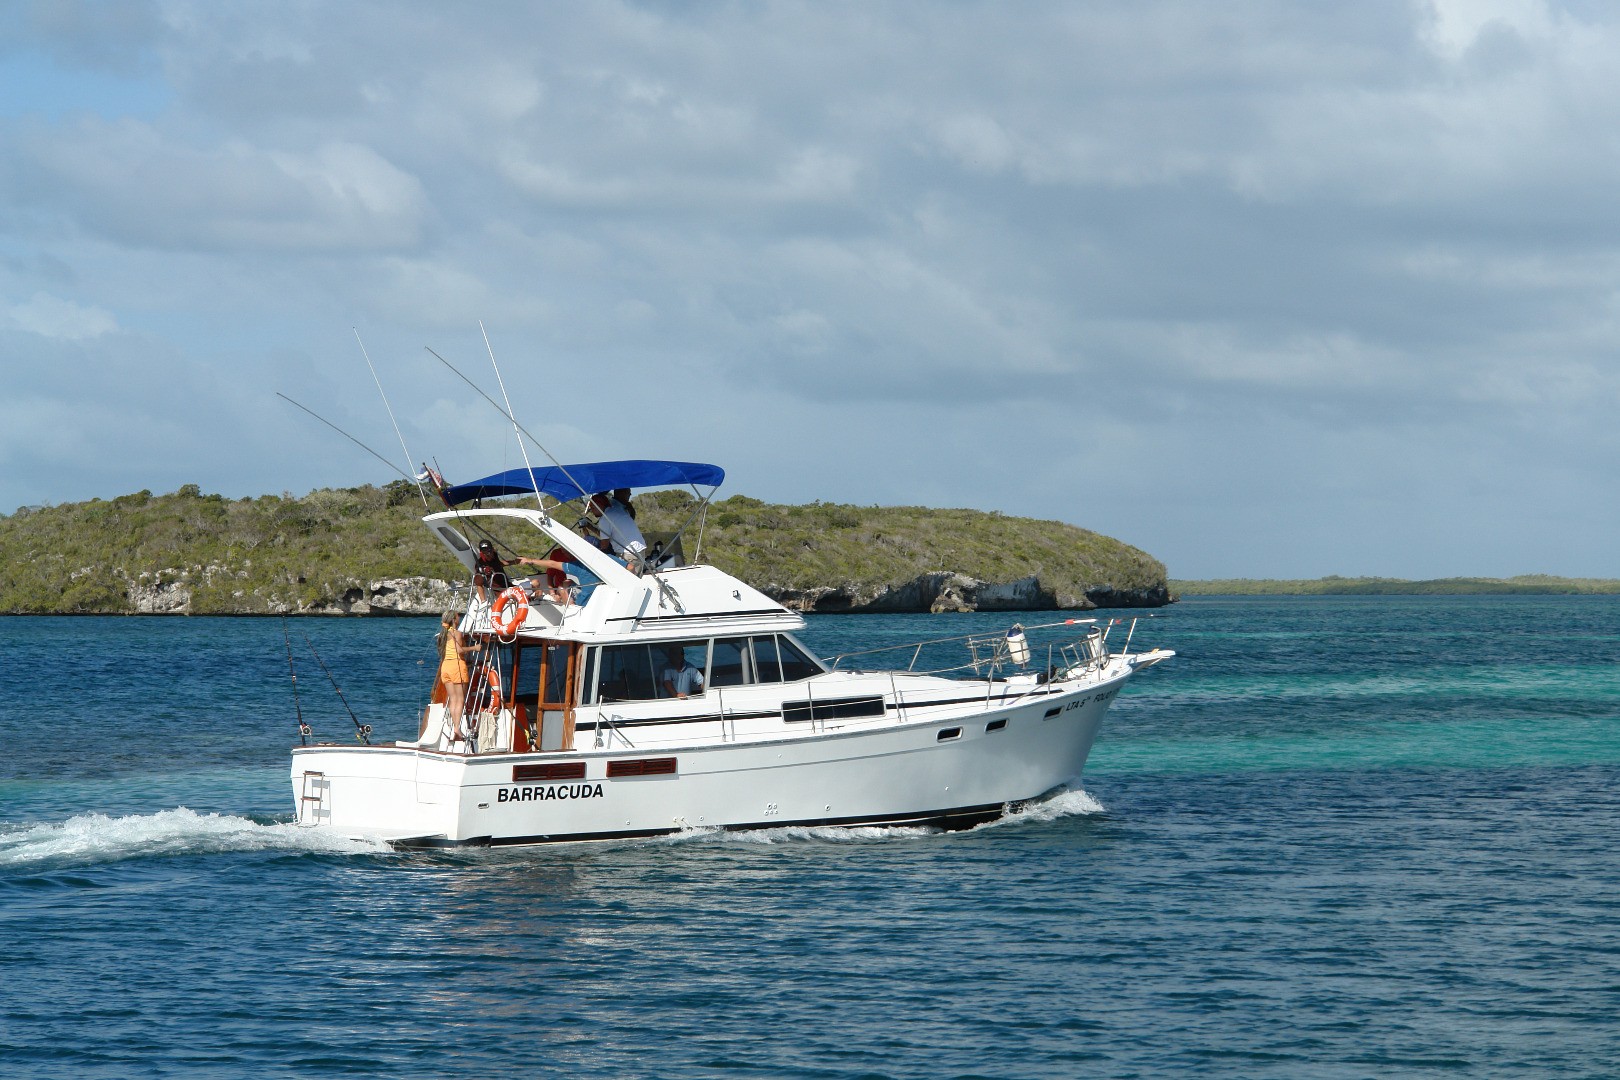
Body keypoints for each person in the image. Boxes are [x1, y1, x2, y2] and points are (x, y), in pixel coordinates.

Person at [435, 611, 470, 742]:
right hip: (456, 666)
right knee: (460, 699)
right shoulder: (457, 633)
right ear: (454, 620)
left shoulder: (442, 635)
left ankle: (455, 729)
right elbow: (460, 650)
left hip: (446, 667)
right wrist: (474, 648)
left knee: (453, 699)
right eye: (457, 616)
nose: (459, 617)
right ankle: (457, 728)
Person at [587, 492, 647, 563]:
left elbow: (604, 545)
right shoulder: (617, 510)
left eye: (593, 508)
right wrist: (590, 527)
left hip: (629, 554)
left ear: (599, 505)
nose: (592, 511)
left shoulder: (604, 518)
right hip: (640, 548)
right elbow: (607, 535)